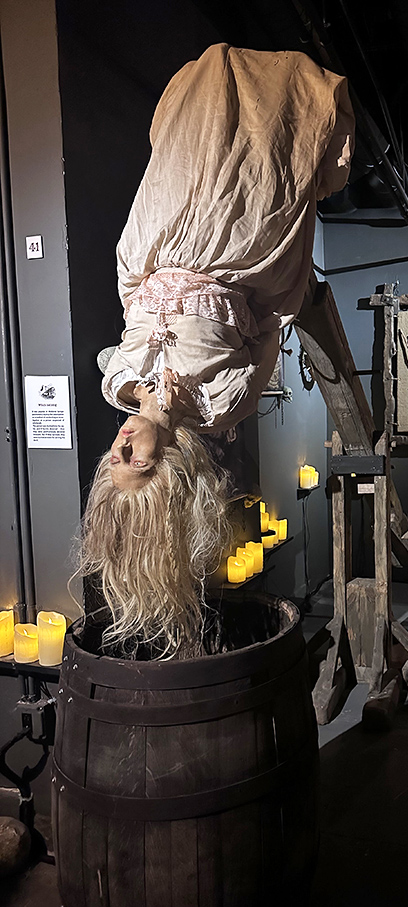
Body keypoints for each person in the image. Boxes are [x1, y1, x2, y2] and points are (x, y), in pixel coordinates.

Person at [75, 43, 354, 658]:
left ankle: (216, 93)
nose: (119, 446)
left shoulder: (119, 382)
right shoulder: (218, 405)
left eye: (112, 458)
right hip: (236, 241)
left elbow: (124, 327)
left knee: (201, 112)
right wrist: (274, 276)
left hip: (163, 232)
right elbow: (266, 334)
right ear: (169, 470)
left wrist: (141, 386)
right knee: (260, 146)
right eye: (134, 462)